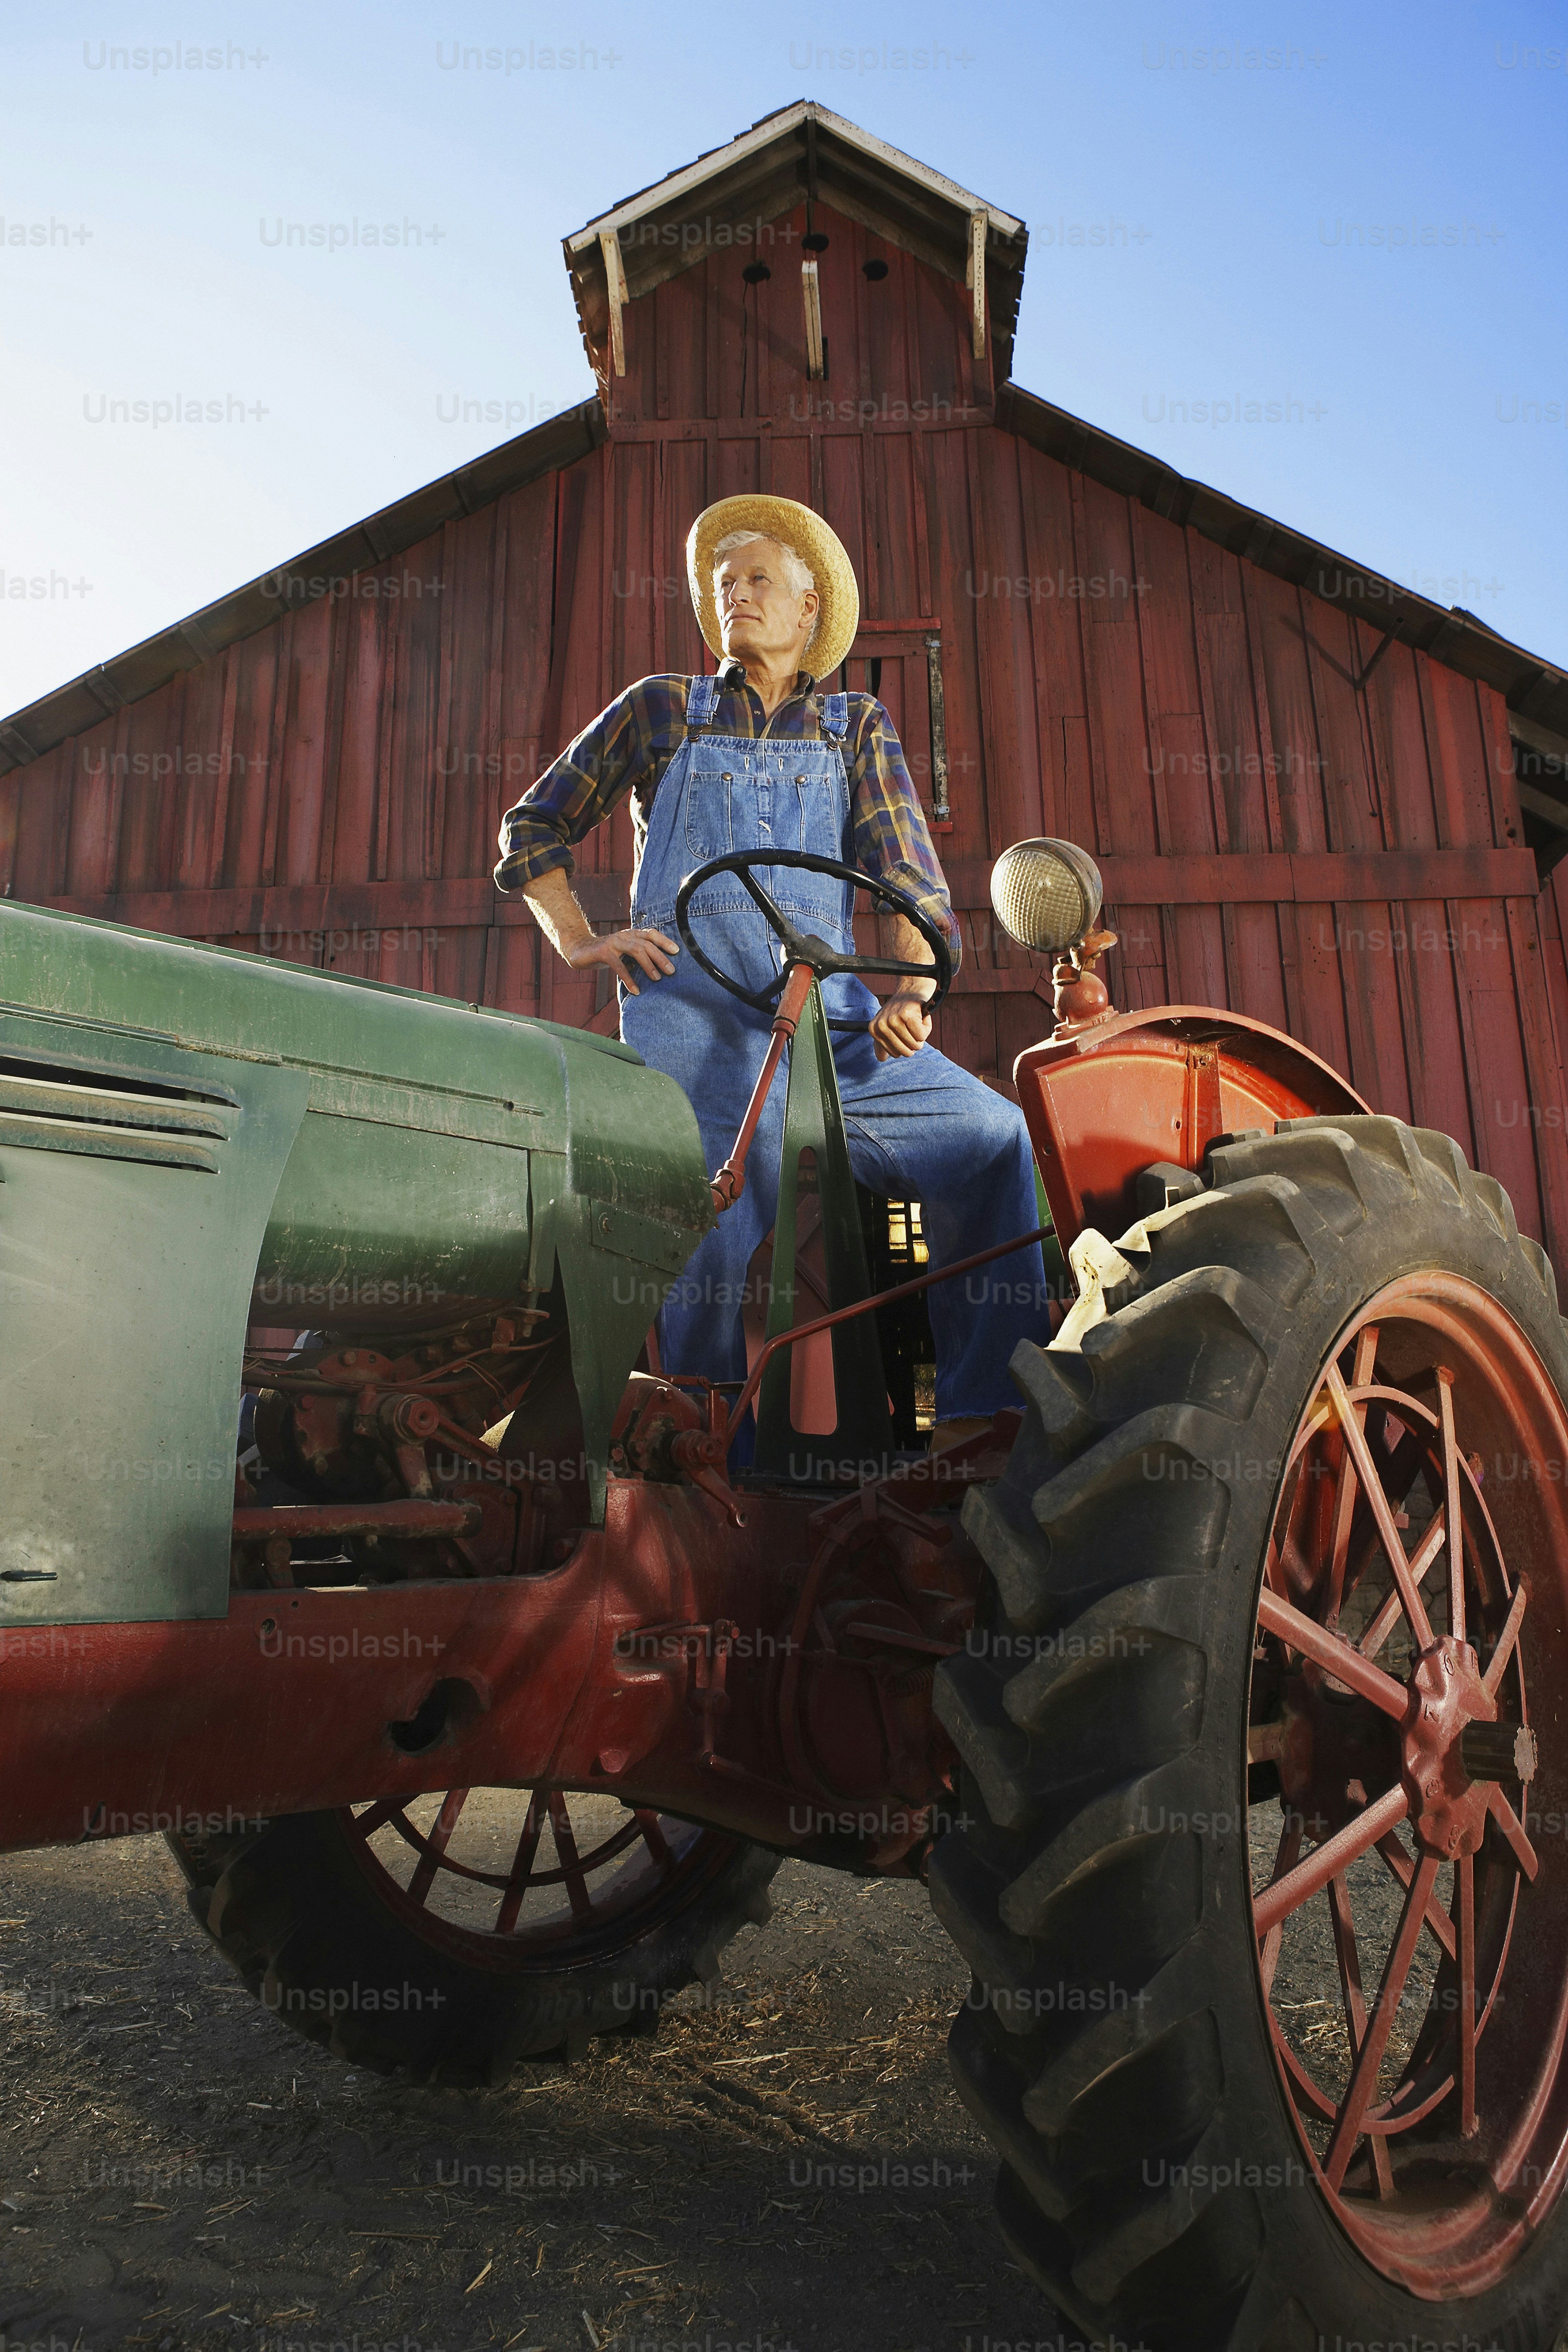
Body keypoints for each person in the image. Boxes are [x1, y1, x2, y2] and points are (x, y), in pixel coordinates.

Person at [494, 494, 1049, 1451]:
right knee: (720, 1187)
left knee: (992, 1138)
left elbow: (910, 881)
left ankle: (979, 1423)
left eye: (757, 579)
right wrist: (584, 941)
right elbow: (533, 826)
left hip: (829, 1016)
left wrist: (911, 994)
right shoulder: (662, 708)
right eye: (724, 584)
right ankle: (701, 1442)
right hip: (694, 1010)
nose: (735, 595)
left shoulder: (853, 726)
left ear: (807, 609)